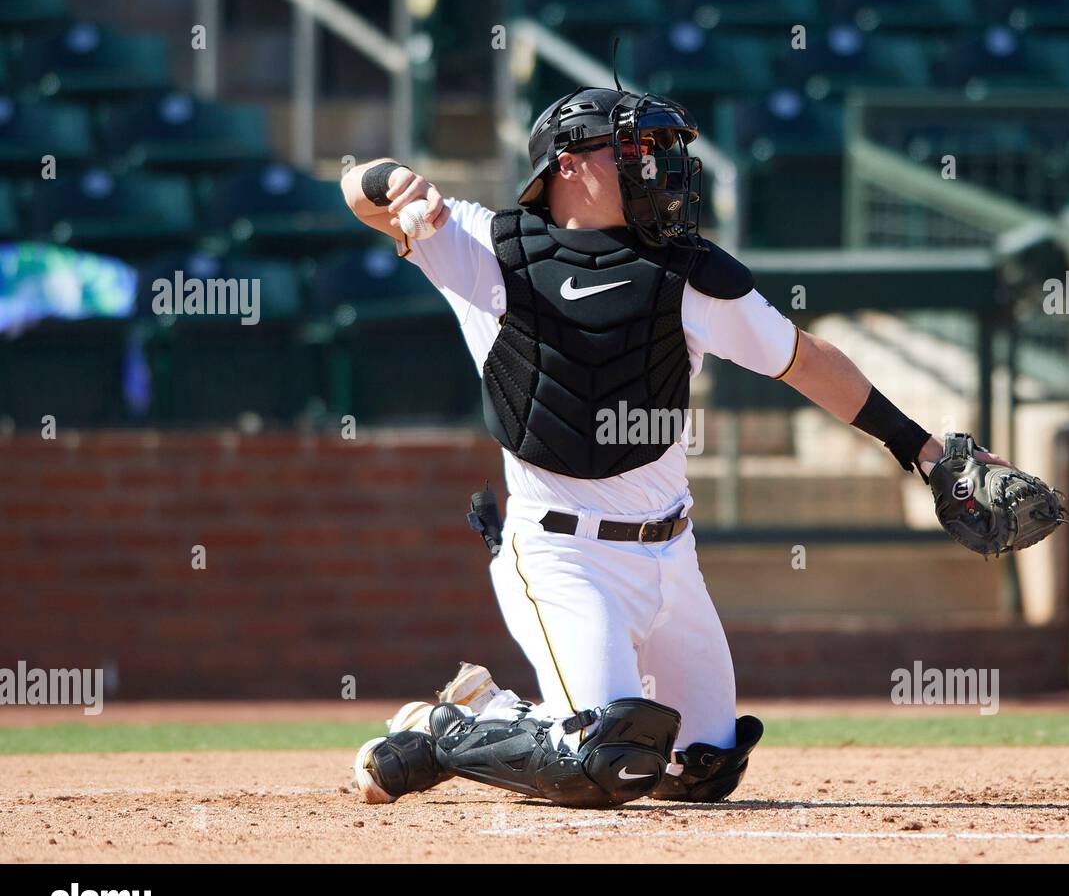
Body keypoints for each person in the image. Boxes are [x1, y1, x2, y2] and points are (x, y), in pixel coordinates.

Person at [340, 86, 1008, 808]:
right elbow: (357, 190)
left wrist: (926, 452)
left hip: (671, 556)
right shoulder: (484, 247)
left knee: (703, 768)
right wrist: (390, 184)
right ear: (568, 164)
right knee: (605, 761)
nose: (660, 167)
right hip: (563, 556)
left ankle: (497, 710)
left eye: (662, 150)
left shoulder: (685, 271)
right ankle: (453, 728)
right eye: (635, 149)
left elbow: (806, 360)